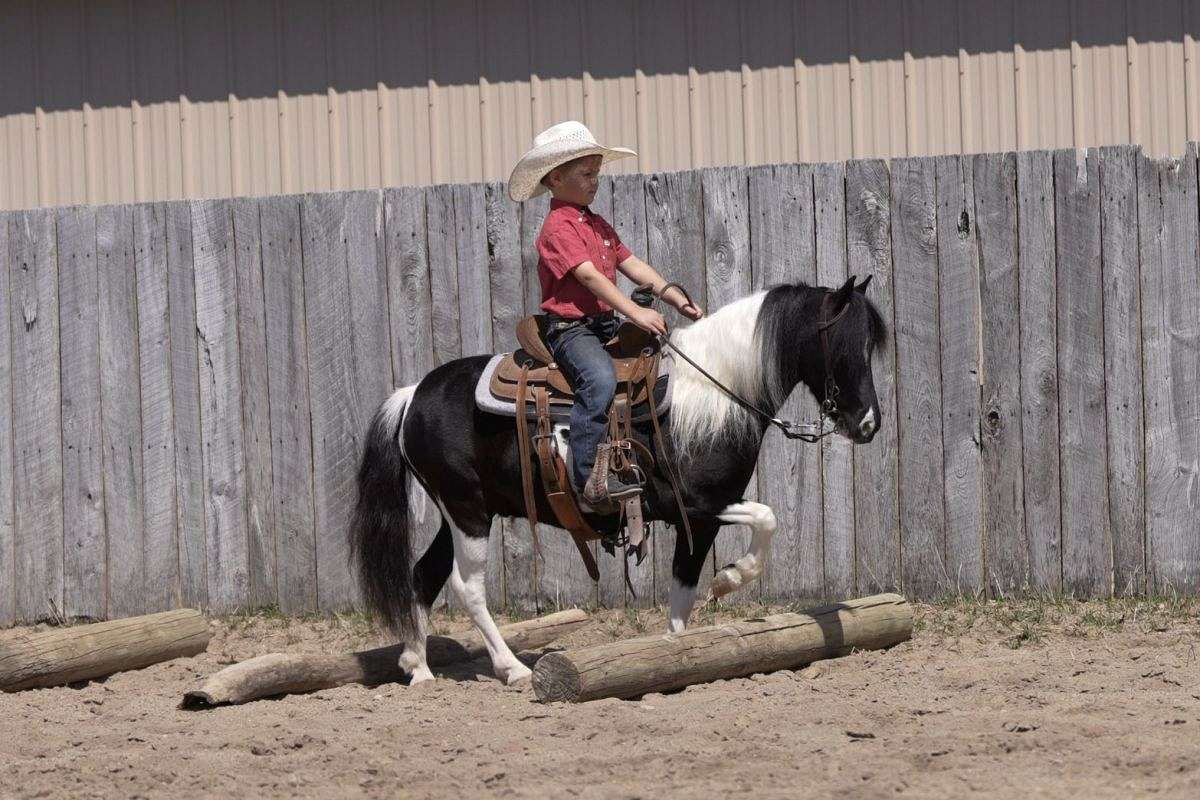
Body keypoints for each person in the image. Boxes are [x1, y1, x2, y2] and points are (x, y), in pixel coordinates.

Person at [507, 121, 703, 511]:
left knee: (658, 363)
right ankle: (586, 482)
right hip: (571, 330)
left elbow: (632, 264)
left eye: (597, 172)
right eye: (587, 173)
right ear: (556, 177)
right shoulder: (556, 229)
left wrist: (672, 295)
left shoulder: (595, 224)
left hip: (603, 325)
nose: (595, 180)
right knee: (598, 380)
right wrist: (636, 312)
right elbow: (590, 278)